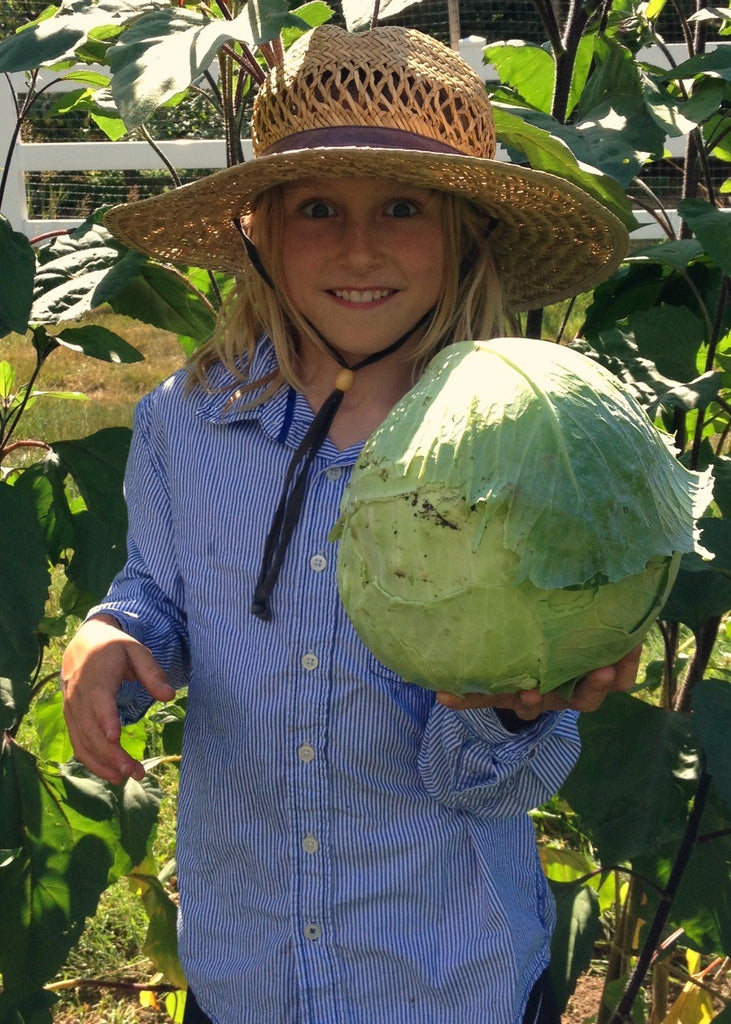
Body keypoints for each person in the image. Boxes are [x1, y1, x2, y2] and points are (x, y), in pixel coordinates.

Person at [61, 23, 638, 1024]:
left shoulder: (520, 456)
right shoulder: (184, 423)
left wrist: (515, 705)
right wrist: (114, 634)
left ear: (467, 235)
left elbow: (485, 782)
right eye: (317, 207)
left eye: (403, 207)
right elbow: (160, 586)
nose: (358, 246)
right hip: (247, 968)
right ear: (259, 232)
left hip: (443, 976)